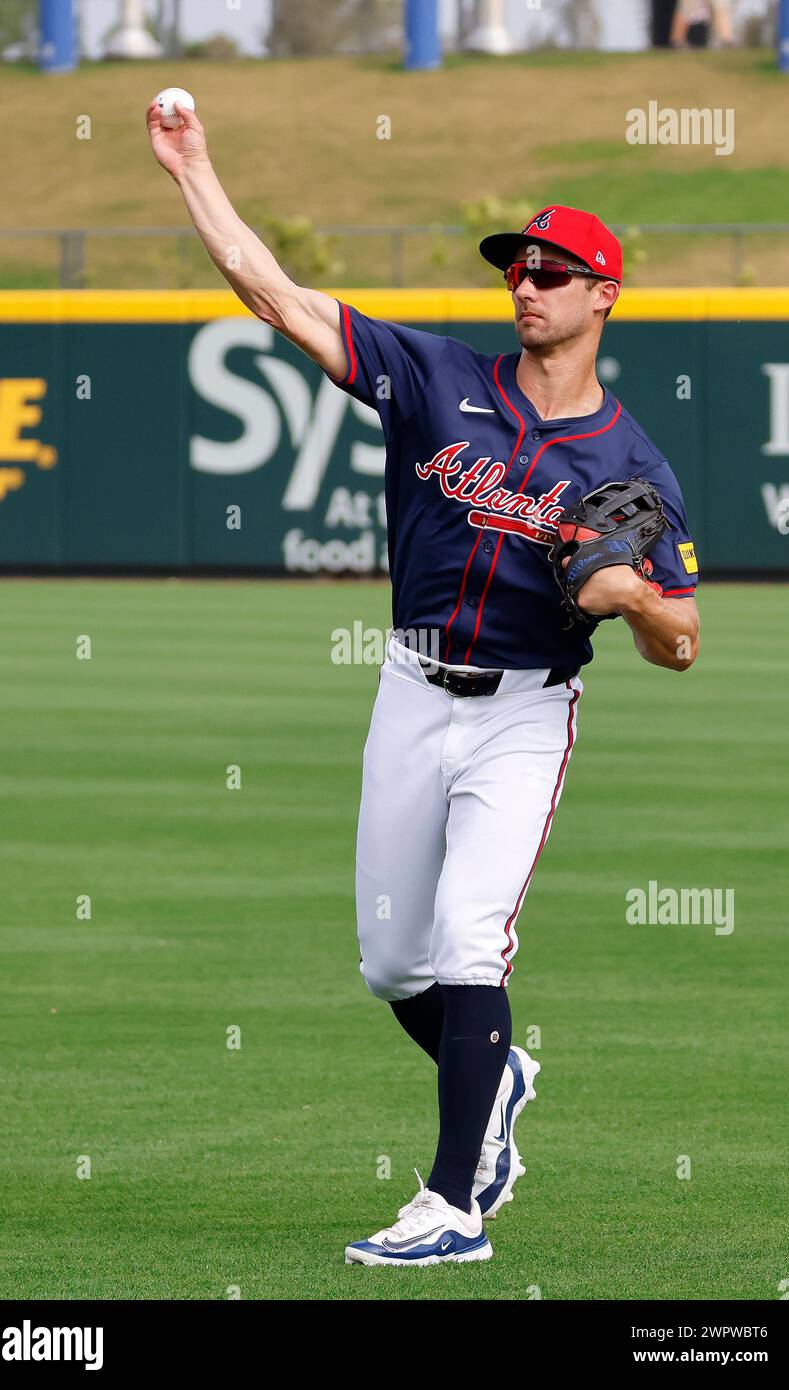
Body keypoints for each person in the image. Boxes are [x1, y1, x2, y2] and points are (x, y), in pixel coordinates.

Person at [147, 102, 701, 1268]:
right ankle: (496, 1074)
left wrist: (633, 599)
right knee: (392, 964)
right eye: (516, 267)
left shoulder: (631, 462)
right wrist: (194, 168)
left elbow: (682, 637)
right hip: (408, 686)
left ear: (604, 296)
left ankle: (451, 1208)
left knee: (465, 941)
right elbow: (270, 292)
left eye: (554, 272)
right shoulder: (433, 376)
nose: (527, 284)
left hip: (522, 708)